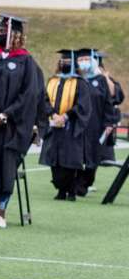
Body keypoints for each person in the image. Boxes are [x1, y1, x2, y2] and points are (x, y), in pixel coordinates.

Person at [0, 15, 43, 228]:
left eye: (7, 31)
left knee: (5, 168)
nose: (1, 34)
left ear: (17, 35)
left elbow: (29, 94)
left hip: (13, 126)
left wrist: (5, 115)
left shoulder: (25, 61)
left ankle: (1, 212)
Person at [40, 50, 94, 201]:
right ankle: (60, 188)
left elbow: (83, 105)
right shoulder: (52, 80)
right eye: (62, 62)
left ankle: (70, 190)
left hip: (71, 127)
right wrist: (53, 114)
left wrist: (65, 116)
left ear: (74, 65)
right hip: (53, 125)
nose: (64, 64)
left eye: (68, 62)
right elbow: (44, 100)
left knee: (69, 161)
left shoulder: (80, 83)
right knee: (54, 161)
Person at [74, 47, 118, 197]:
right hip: (78, 124)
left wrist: (109, 123)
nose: (83, 62)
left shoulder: (100, 81)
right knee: (77, 156)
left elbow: (108, 103)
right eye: (80, 60)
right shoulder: (74, 79)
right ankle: (74, 184)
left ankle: (84, 185)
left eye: (86, 59)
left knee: (93, 157)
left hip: (96, 125)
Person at [94, 51, 123, 162]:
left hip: (104, 123)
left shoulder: (108, 80)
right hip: (90, 122)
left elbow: (116, 96)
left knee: (105, 159)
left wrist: (105, 77)